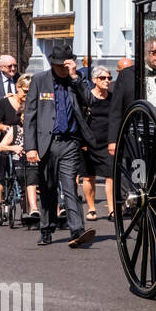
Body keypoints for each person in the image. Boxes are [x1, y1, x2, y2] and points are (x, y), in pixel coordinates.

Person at [24, 46, 98, 248]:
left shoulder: (76, 81)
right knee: (48, 188)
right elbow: (30, 115)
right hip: (46, 143)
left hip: (70, 142)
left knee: (70, 187)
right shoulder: (40, 81)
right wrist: (30, 147)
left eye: (67, 64)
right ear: (53, 64)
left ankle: (77, 231)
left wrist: (75, 77)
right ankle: (47, 229)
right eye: (61, 65)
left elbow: (90, 100)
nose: (64, 68)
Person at [107, 38, 156, 153]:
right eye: (155, 52)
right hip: (138, 135)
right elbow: (116, 109)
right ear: (145, 54)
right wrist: (113, 140)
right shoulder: (128, 75)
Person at [0, 74, 40, 225]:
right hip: (17, 160)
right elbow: (0, 145)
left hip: (33, 162)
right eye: (26, 91)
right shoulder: (14, 127)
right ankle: (1, 205)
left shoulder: (36, 127)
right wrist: (14, 147)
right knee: (9, 177)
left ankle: (37, 208)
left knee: (33, 173)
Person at [82, 65, 114, 222]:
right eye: (103, 78)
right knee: (89, 177)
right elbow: (80, 120)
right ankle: (91, 208)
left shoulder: (112, 98)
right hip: (89, 142)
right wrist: (82, 141)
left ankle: (112, 210)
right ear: (94, 80)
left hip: (108, 143)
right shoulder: (87, 98)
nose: (107, 81)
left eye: (109, 78)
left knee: (111, 176)